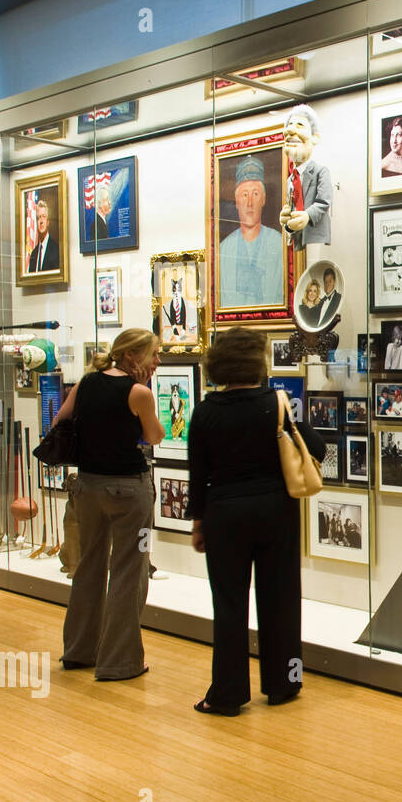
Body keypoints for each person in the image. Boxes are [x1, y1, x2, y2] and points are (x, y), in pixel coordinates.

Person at [187, 328, 326, 716]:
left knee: (229, 605)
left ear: (219, 365)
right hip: (275, 512)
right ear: (257, 363)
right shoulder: (275, 403)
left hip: (224, 514)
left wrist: (198, 524)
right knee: (281, 599)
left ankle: (227, 694)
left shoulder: (205, 410)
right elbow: (317, 449)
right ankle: (284, 683)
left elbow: (197, 474)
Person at [55, 328, 164, 681]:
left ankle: (78, 651)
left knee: (88, 567)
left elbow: (60, 421)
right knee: (129, 572)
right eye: (154, 354)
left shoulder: (86, 384)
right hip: (129, 491)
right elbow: (155, 435)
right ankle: (118, 661)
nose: (158, 361)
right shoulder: (139, 392)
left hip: (87, 488)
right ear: (132, 356)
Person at [219, 156, 284, 309]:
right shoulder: (224, 250)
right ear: (236, 201)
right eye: (244, 195)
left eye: (255, 194)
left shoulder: (278, 244)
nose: (249, 203)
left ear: (263, 200)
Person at [279, 104, 333, 249]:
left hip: (317, 238)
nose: (290, 130)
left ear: (314, 137)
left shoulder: (321, 171)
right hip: (300, 242)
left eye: (299, 125)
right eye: (290, 125)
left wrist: (307, 216)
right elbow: (292, 206)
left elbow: (324, 202)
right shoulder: (291, 179)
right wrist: (287, 222)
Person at [27, 200, 59, 272]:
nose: (41, 221)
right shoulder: (33, 254)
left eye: (43, 217)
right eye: (38, 218)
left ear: (48, 222)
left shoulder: (56, 249)